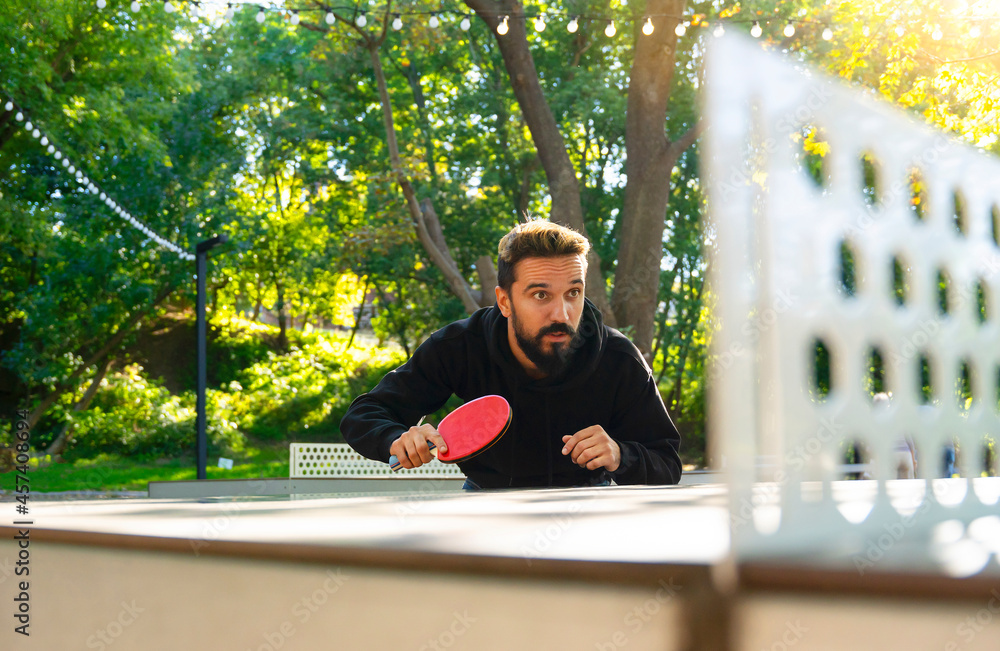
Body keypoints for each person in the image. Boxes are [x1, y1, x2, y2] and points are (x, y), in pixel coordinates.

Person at [340, 220, 683, 489]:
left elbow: (667, 464)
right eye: (540, 295)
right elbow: (364, 414)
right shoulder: (461, 346)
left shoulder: (619, 358)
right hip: (486, 495)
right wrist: (396, 439)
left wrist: (621, 455)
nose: (562, 314)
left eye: (573, 293)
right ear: (504, 301)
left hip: (587, 496)